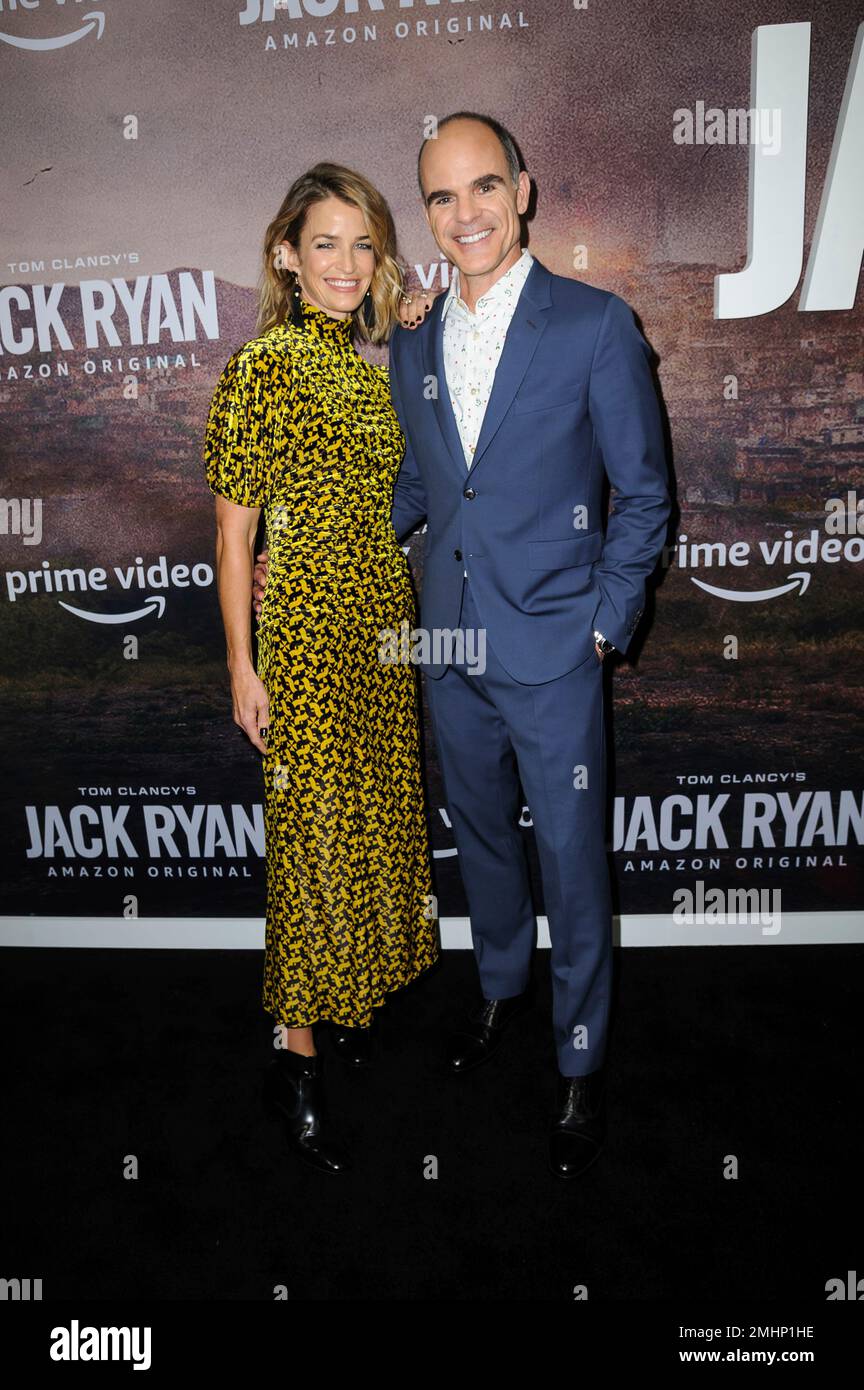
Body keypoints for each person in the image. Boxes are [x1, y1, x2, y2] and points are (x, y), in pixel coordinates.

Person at [255, 113, 671, 1179]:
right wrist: (304, 545)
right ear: (427, 214)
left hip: (556, 649)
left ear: (523, 191)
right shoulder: (415, 339)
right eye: (442, 198)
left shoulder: (594, 324)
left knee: (573, 861)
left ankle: (581, 1057)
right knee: (483, 842)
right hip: (442, 643)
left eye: (484, 188)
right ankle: (498, 994)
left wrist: (603, 624)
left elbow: (645, 496)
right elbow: (414, 490)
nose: (466, 213)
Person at [203, 162, 440, 1176]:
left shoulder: (367, 363)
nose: (347, 263)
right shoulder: (264, 366)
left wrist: (418, 315)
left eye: (363, 244)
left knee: (374, 825)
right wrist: (241, 667)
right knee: (312, 844)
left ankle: (348, 1000)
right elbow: (230, 534)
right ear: (288, 257)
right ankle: (295, 1054)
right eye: (326, 243)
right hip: (299, 633)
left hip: (380, 624)